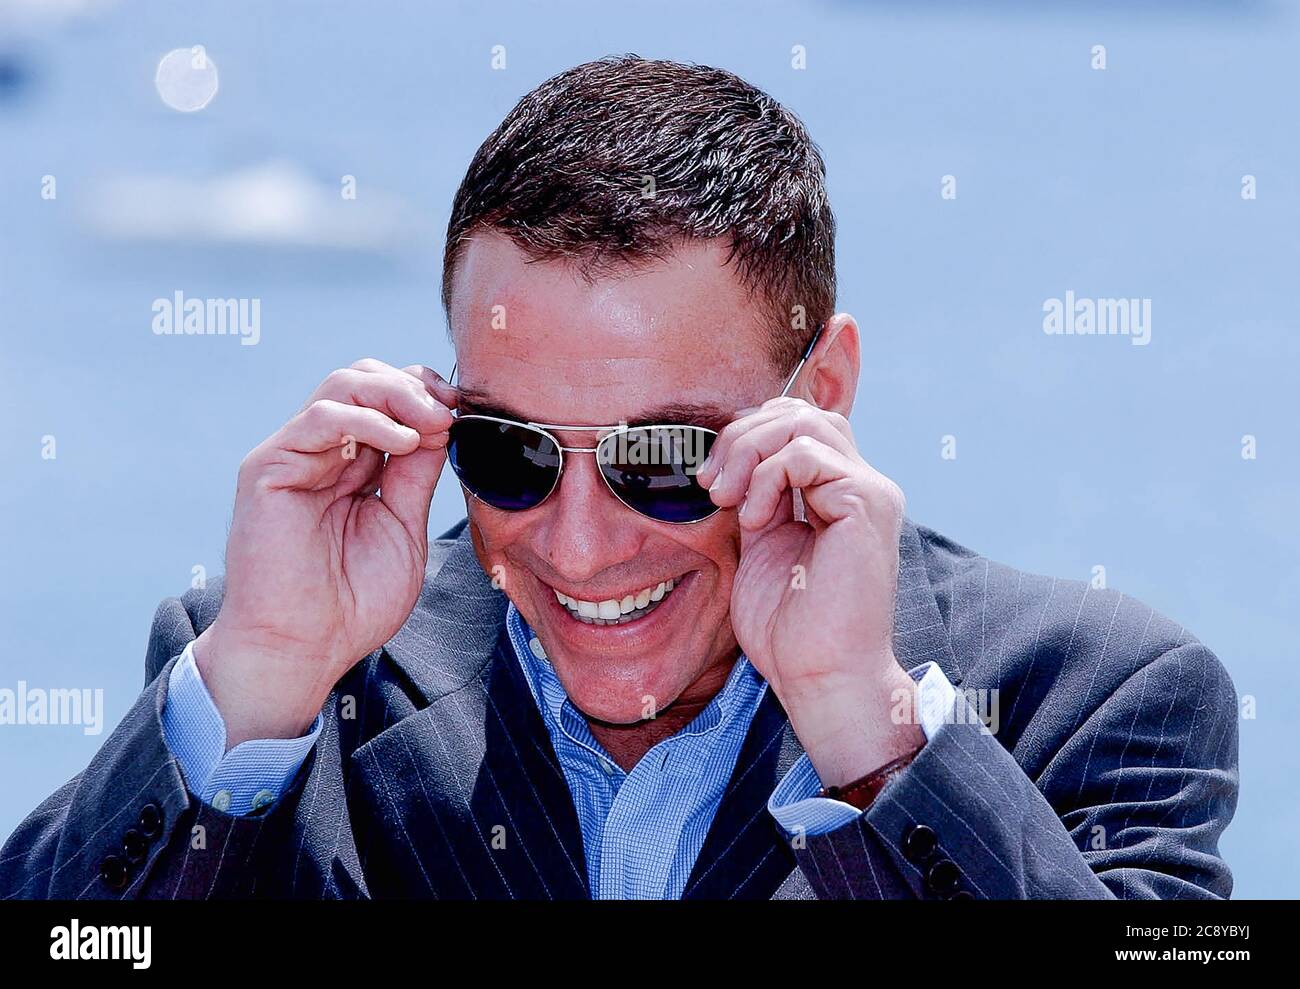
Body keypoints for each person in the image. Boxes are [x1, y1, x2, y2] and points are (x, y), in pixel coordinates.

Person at [1, 56, 1237, 900]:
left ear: (821, 397)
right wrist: (261, 673)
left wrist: (869, 733)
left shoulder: (1101, 696)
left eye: (664, 457)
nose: (579, 545)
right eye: (510, 453)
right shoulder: (283, 683)